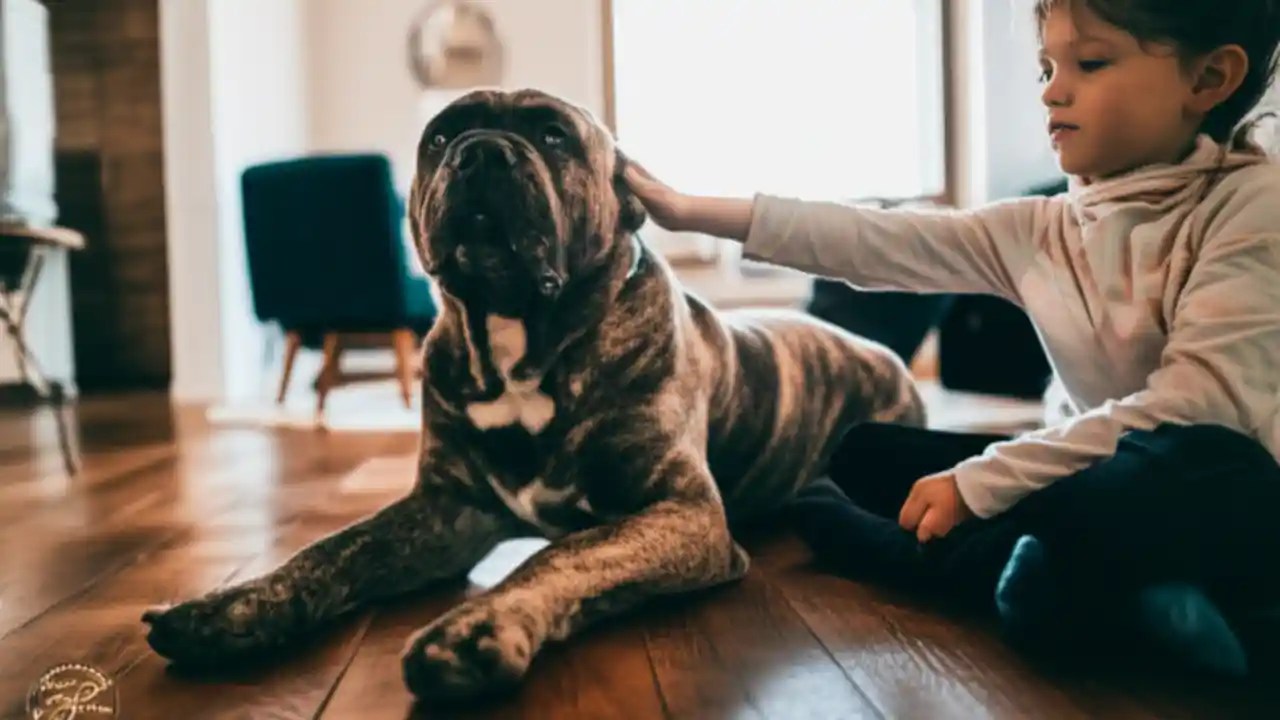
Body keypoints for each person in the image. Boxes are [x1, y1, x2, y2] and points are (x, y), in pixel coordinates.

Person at [624, 0, 1280, 677]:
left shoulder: (1252, 204)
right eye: (1046, 67)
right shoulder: (1041, 229)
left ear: (1207, 81)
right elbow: (872, 241)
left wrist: (982, 484)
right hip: (1102, 483)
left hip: (1230, 486)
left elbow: (1201, 406)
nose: (1053, 89)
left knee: (1150, 480)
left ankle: (997, 568)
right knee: (862, 454)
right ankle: (1117, 592)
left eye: (1090, 63)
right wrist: (685, 209)